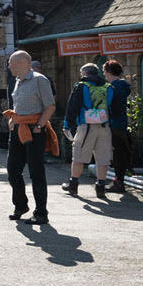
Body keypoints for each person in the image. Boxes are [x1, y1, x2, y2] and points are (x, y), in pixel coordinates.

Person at [2, 50, 58, 224]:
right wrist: (13, 120)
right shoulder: (18, 81)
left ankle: (41, 212)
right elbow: (18, 105)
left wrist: (40, 126)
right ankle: (21, 205)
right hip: (18, 129)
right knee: (12, 170)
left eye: (11, 63)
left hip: (34, 129)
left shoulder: (39, 80)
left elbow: (50, 106)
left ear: (21, 63)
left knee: (36, 172)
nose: (9, 66)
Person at [61, 62, 114, 199]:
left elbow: (72, 107)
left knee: (79, 155)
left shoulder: (81, 86)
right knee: (103, 158)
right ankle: (100, 187)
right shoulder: (108, 87)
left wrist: (67, 125)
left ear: (84, 74)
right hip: (104, 125)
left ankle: (73, 184)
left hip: (86, 125)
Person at [103, 60, 133, 194]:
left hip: (113, 123)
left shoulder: (113, 87)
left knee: (117, 154)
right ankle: (119, 180)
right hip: (122, 122)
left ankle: (119, 183)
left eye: (104, 71)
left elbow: (110, 106)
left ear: (109, 72)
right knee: (120, 152)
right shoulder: (123, 86)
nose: (104, 74)